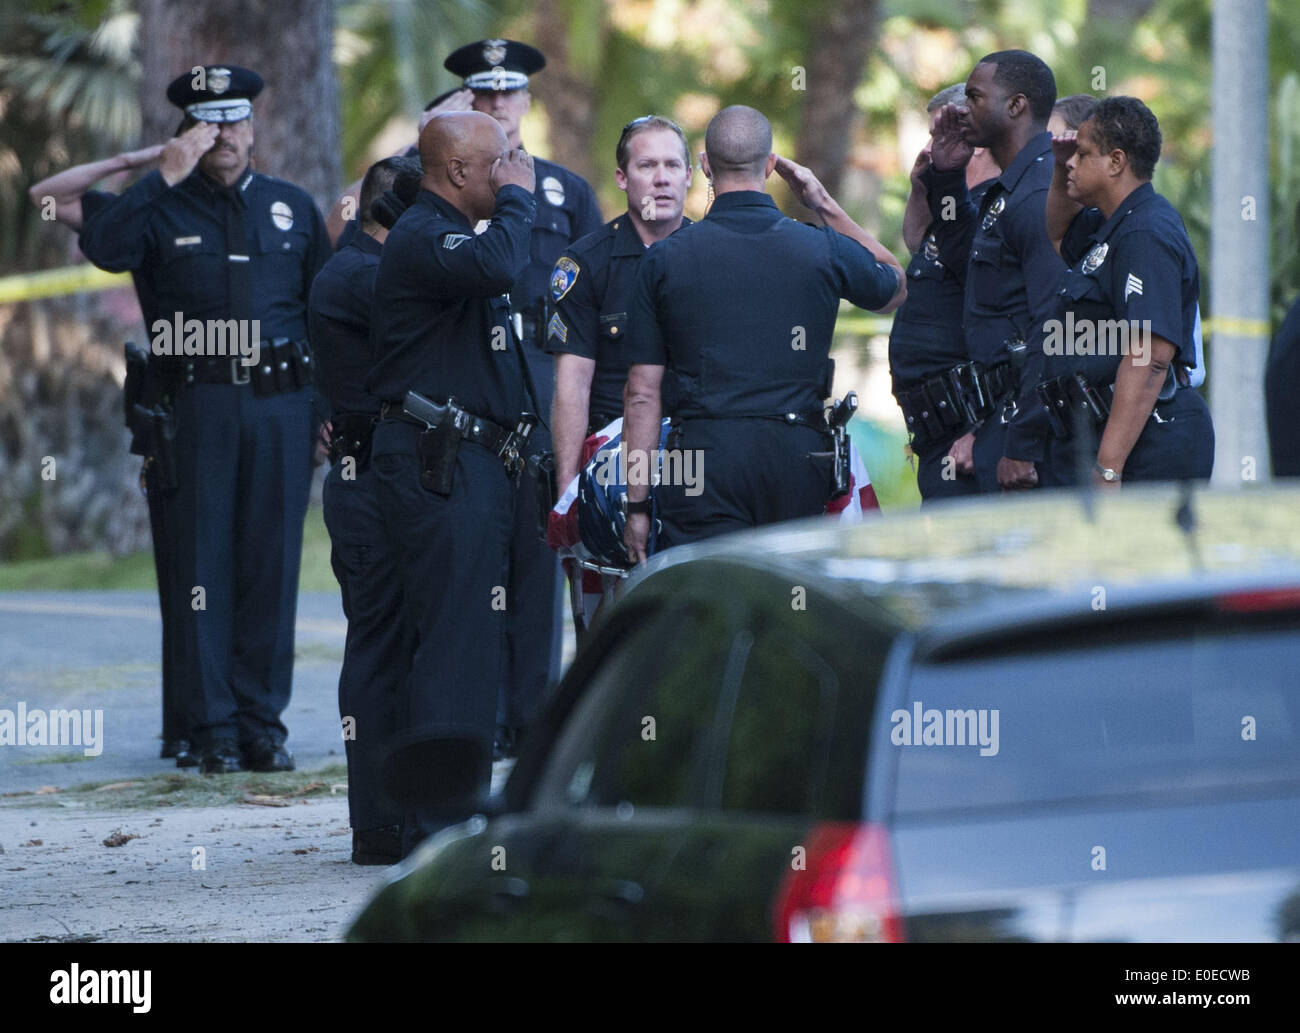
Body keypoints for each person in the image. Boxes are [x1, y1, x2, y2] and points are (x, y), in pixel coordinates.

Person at [77, 65, 330, 774]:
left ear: (254, 127)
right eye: (207, 121)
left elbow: (327, 313)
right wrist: (157, 173)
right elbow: (104, 248)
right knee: (202, 565)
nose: (224, 134)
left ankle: (262, 724)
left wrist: (328, 411)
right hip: (198, 404)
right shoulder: (158, 206)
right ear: (187, 131)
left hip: (283, 404)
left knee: (269, 566)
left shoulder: (291, 206)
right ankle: (212, 726)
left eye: (235, 119)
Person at [620, 105, 905, 560]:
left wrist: (636, 504)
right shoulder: (820, 248)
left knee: (706, 610)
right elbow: (893, 283)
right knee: (788, 606)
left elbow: (641, 393)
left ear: (706, 166)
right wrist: (823, 203)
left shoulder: (664, 260)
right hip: (795, 457)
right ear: (771, 165)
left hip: (700, 459)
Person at [366, 111, 537, 856]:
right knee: (450, 642)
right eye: (498, 163)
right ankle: (438, 821)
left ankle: (446, 809)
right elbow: (501, 266)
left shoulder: (451, 233)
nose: (509, 171)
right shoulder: (423, 234)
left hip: (473, 459)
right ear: (461, 173)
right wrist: (523, 196)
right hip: (440, 459)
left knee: (465, 640)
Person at [28, 140, 197, 766]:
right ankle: (186, 725)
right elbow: (47, 199)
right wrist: (139, 163)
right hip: (169, 411)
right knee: (184, 577)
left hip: (241, 411)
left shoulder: (261, 206)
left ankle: (239, 726)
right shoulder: (145, 210)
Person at [308, 154, 420, 865]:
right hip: (372, 480)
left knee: (393, 645)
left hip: (377, 473)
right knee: (380, 647)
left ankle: (394, 817)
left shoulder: (360, 269)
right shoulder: (364, 276)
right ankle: (380, 821)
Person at [544, 114, 692, 633]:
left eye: (673, 164)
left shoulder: (713, 253)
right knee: (610, 632)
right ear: (622, 178)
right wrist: (569, 495)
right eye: (647, 165)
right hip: (609, 469)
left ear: (691, 177)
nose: (662, 177)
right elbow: (572, 385)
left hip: (698, 467)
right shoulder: (586, 263)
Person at [1039, 96, 1214, 485]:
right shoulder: (1113, 223)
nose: (1071, 161)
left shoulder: (1145, 232)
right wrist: (1058, 165)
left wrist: (1108, 468)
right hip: (1107, 433)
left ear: (1116, 162)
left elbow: (1150, 356)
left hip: (1150, 441)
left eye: (1082, 155)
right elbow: (1057, 234)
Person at [924, 50, 1065, 492]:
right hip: (995, 417)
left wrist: (1023, 443)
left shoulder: (1042, 191)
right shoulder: (1010, 189)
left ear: (1016, 105)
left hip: (1025, 428)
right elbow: (959, 260)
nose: (963, 109)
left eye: (974, 97)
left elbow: (1054, 325)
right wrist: (946, 175)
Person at [890, 84, 1000, 501]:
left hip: (968, 428)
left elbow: (1011, 332)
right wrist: (925, 182)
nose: (930, 147)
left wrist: (982, 431)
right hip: (937, 428)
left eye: (940, 136)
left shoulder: (997, 208)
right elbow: (917, 239)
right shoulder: (954, 203)